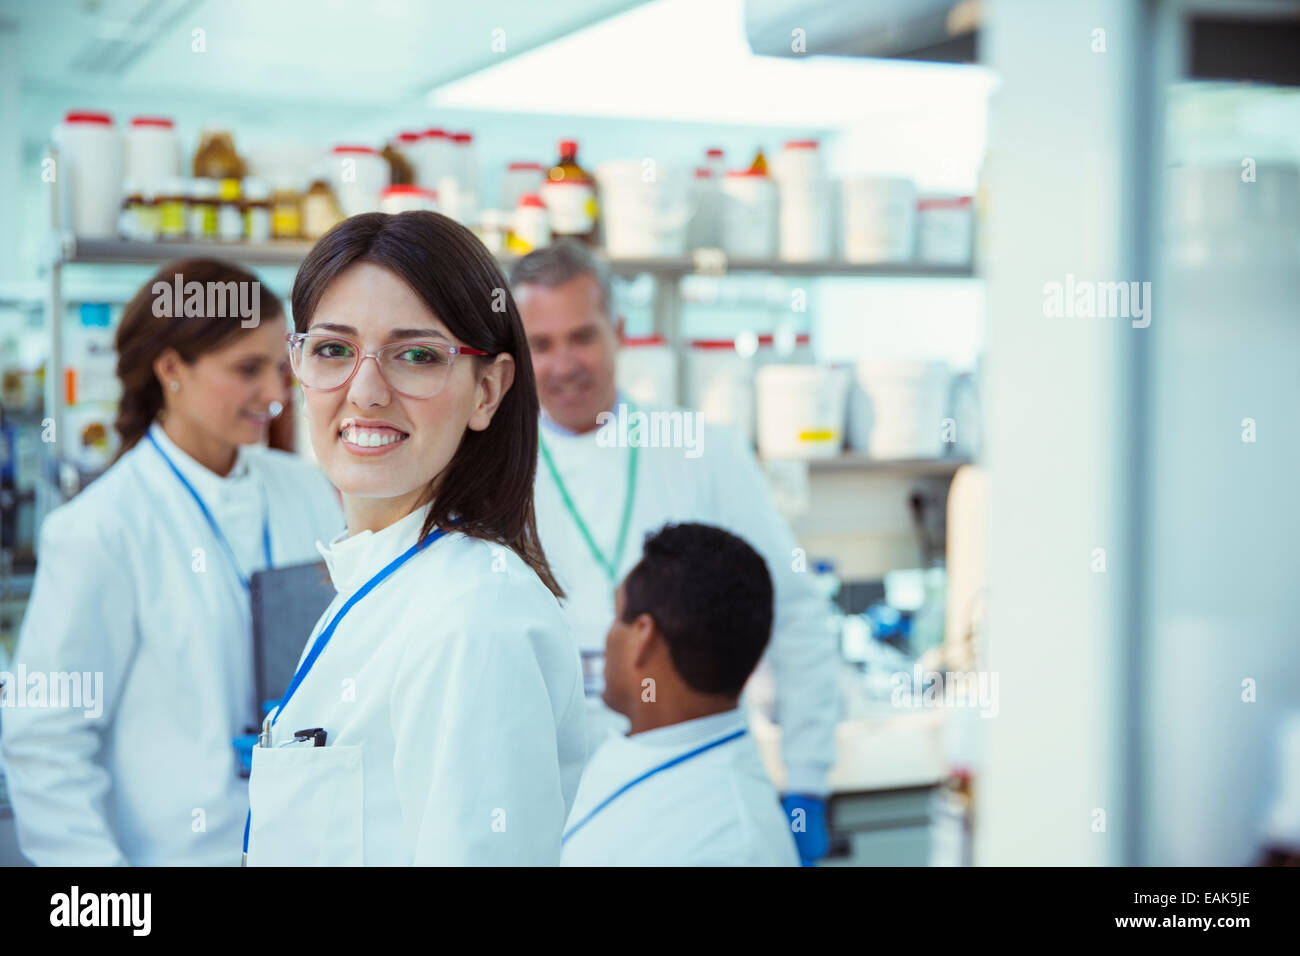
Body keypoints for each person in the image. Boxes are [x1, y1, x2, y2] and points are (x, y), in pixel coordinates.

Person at [243, 211, 586, 866]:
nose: (366, 392)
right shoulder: (377, 581)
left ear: (487, 390)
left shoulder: (471, 619)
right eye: (333, 349)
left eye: (417, 356)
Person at [1, 258, 343, 866]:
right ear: (170, 369)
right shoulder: (100, 529)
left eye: (278, 366)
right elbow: (45, 743)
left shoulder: (309, 492)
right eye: (247, 369)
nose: (273, 394)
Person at [512, 241, 840, 864]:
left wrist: (807, 780)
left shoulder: (702, 451)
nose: (563, 365)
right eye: (541, 344)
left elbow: (795, 613)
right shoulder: (489, 472)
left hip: (689, 789)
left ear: (619, 331)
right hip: (539, 785)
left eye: (581, 336)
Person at [561, 523, 799, 866]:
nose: (607, 637)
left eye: (616, 617)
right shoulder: (646, 744)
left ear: (643, 636)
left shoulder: (729, 846)